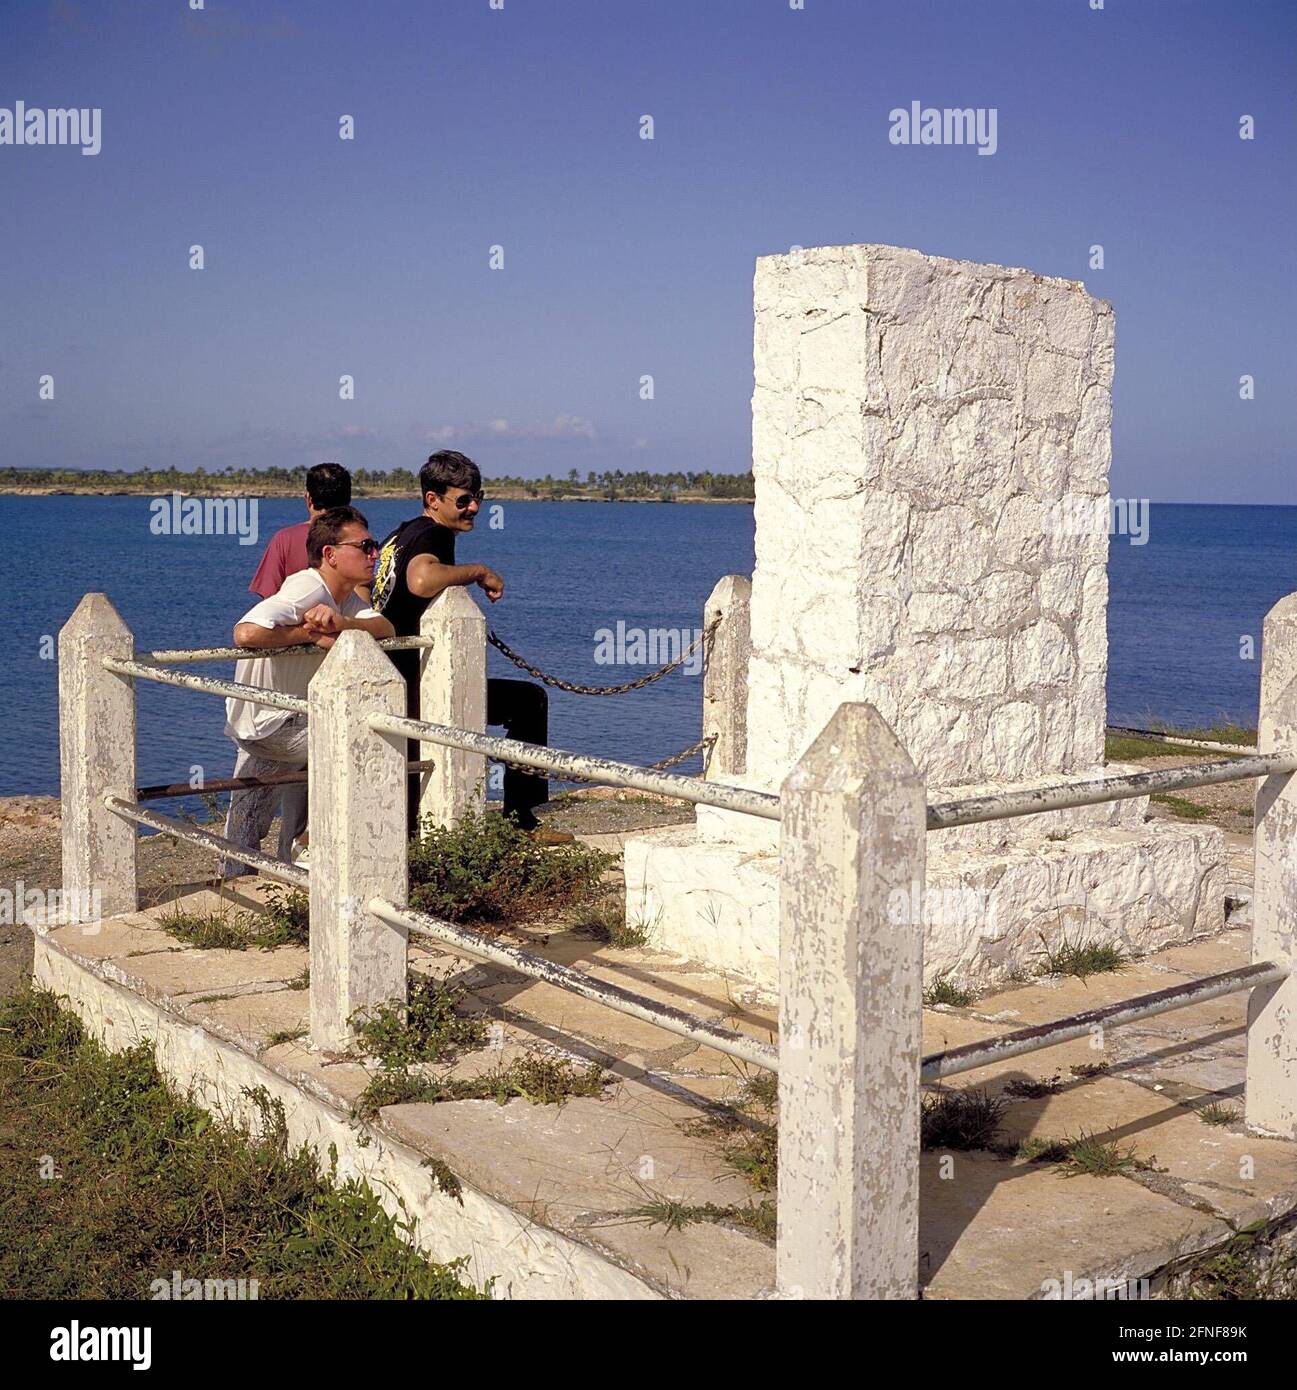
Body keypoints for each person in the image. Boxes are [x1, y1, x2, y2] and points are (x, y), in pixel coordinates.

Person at [370, 450, 572, 843]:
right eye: (462, 500)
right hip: (416, 679)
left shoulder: (401, 533)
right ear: (433, 500)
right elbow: (422, 580)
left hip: (390, 670)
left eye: (477, 496)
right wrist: (479, 572)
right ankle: (522, 820)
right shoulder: (434, 534)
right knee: (529, 702)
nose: (474, 507)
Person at [220, 506, 394, 878]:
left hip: (267, 722)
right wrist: (309, 634)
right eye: (364, 546)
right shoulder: (308, 587)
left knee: (248, 820)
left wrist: (341, 624)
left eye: (373, 545)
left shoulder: (343, 597)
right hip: (274, 722)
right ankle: (310, 847)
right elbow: (246, 632)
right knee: (365, 738)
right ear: (330, 554)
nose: (374, 554)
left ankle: (235, 883)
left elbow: (386, 629)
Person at [248, 462, 352, 600]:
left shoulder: (284, 539)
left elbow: (270, 600)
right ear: (348, 500)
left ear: (309, 499)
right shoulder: (359, 542)